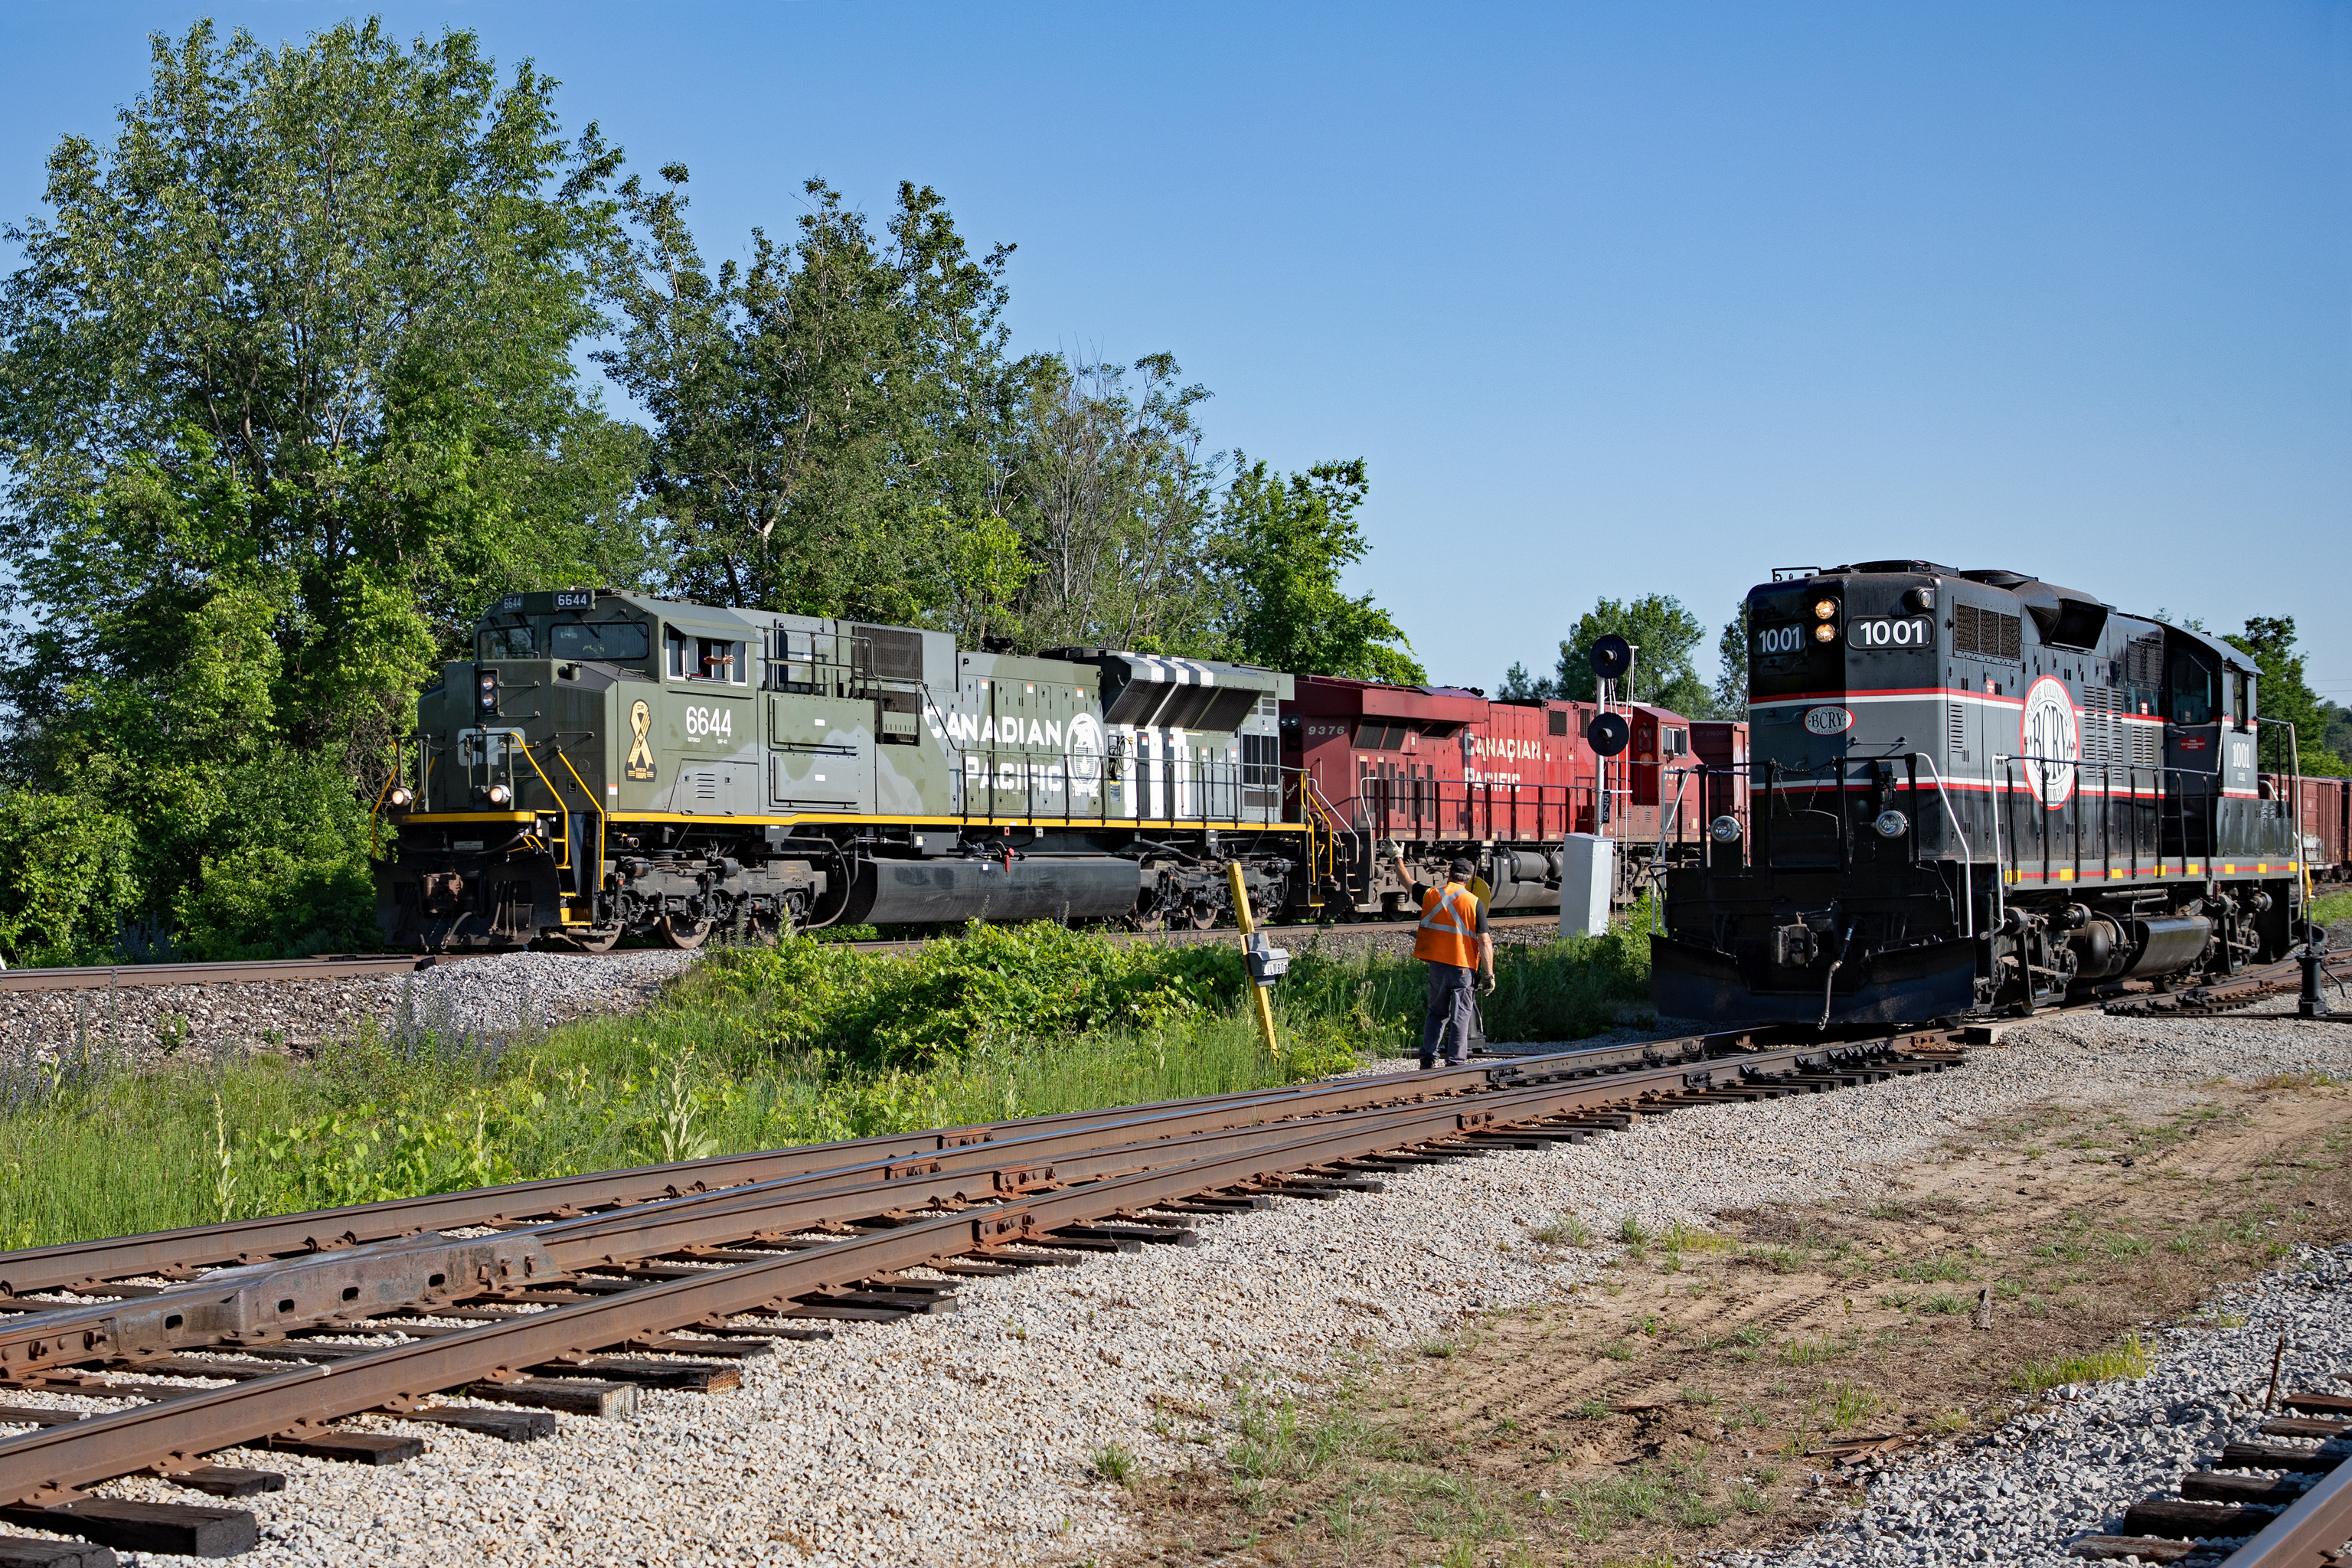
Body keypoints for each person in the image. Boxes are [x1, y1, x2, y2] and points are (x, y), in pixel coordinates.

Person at [1393, 848, 1495, 1070]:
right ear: (1468, 880)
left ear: (1449, 875)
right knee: (1461, 1015)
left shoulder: (1431, 895)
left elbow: (1406, 880)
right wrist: (1489, 975)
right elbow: (1485, 942)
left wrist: (1396, 856)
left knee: (1437, 1012)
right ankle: (1455, 1063)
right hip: (1463, 969)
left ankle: (1428, 1058)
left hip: (1438, 967)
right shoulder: (1474, 903)